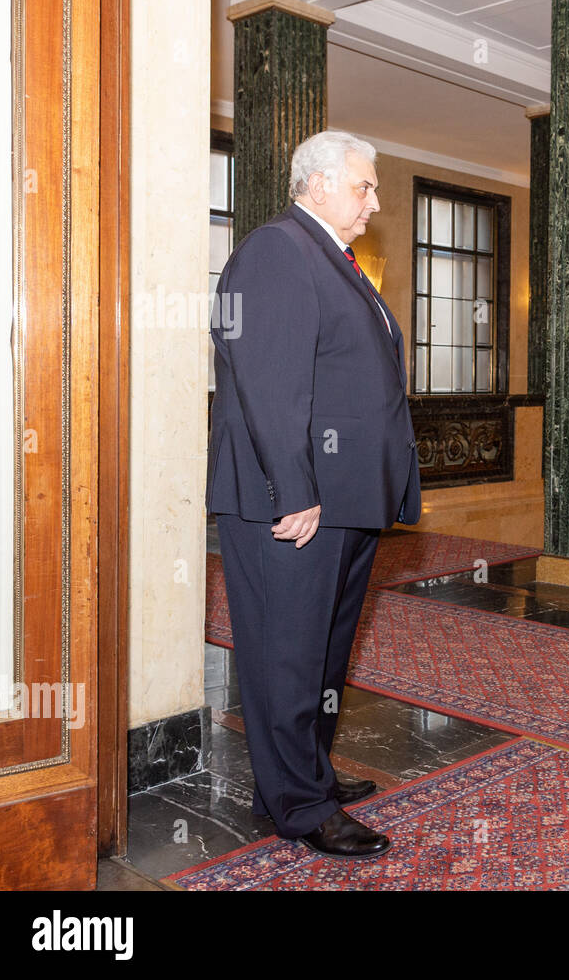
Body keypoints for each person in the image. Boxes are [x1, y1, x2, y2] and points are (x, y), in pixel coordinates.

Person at [206, 131, 421, 860]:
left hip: (344, 499)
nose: (375, 202)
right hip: (295, 501)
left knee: (325, 654)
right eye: (365, 187)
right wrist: (293, 491)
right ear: (320, 183)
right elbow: (271, 385)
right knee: (286, 654)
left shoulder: (333, 260)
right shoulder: (278, 251)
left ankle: (302, 776)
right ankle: (299, 805)